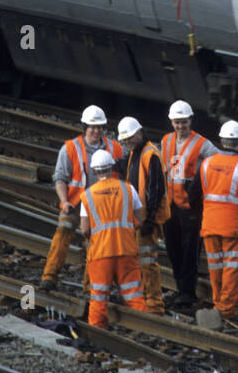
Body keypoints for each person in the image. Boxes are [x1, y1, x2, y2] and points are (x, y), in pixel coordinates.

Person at [40, 106, 123, 292]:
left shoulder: (115, 148)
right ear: (85, 127)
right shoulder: (70, 148)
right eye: (92, 127)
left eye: (100, 127)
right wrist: (65, 201)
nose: (96, 131)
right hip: (76, 203)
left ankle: (90, 287)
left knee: (94, 244)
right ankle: (49, 277)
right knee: (63, 231)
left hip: (102, 206)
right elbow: (60, 178)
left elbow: (124, 175)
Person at [188, 120, 238, 322]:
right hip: (233, 227)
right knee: (232, 269)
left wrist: (198, 214)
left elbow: (192, 193)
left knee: (215, 267)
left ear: (221, 141)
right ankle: (226, 312)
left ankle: (217, 305)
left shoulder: (206, 164)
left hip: (210, 225)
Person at [80, 149, 148, 327]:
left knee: (99, 298)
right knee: (134, 294)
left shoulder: (87, 195)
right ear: (112, 168)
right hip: (127, 250)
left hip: (101, 254)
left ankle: (98, 332)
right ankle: (146, 328)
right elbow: (139, 220)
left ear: (94, 171)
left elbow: (85, 229)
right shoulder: (128, 189)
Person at [160, 100, 217, 310]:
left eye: (184, 122)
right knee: (173, 249)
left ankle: (187, 292)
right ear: (171, 122)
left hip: (190, 206)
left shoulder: (202, 143)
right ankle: (180, 288)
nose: (180, 126)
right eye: (177, 122)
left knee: (190, 250)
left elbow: (217, 162)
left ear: (190, 121)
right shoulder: (166, 141)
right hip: (170, 205)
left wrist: (200, 182)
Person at [117, 116, 167, 314]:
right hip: (137, 218)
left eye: (130, 138)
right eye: (125, 139)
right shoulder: (134, 153)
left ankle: (155, 305)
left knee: (147, 261)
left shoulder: (150, 154)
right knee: (139, 260)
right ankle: (143, 299)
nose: (128, 142)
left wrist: (150, 219)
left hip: (146, 219)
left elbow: (156, 189)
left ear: (140, 133)